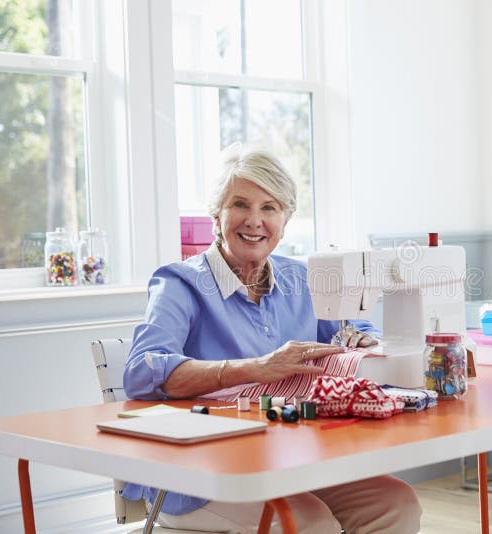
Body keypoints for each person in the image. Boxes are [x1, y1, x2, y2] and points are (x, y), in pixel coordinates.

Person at [123, 144, 422, 533]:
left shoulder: (301, 279)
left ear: (285, 219)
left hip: (291, 461)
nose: (255, 220)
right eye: (240, 205)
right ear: (217, 215)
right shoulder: (180, 284)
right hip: (200, 474)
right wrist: (258, 368)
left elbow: (354, 329)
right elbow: (142, 372)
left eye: (269, 207)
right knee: (308, 523)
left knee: (396, 504)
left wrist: (363, 341)